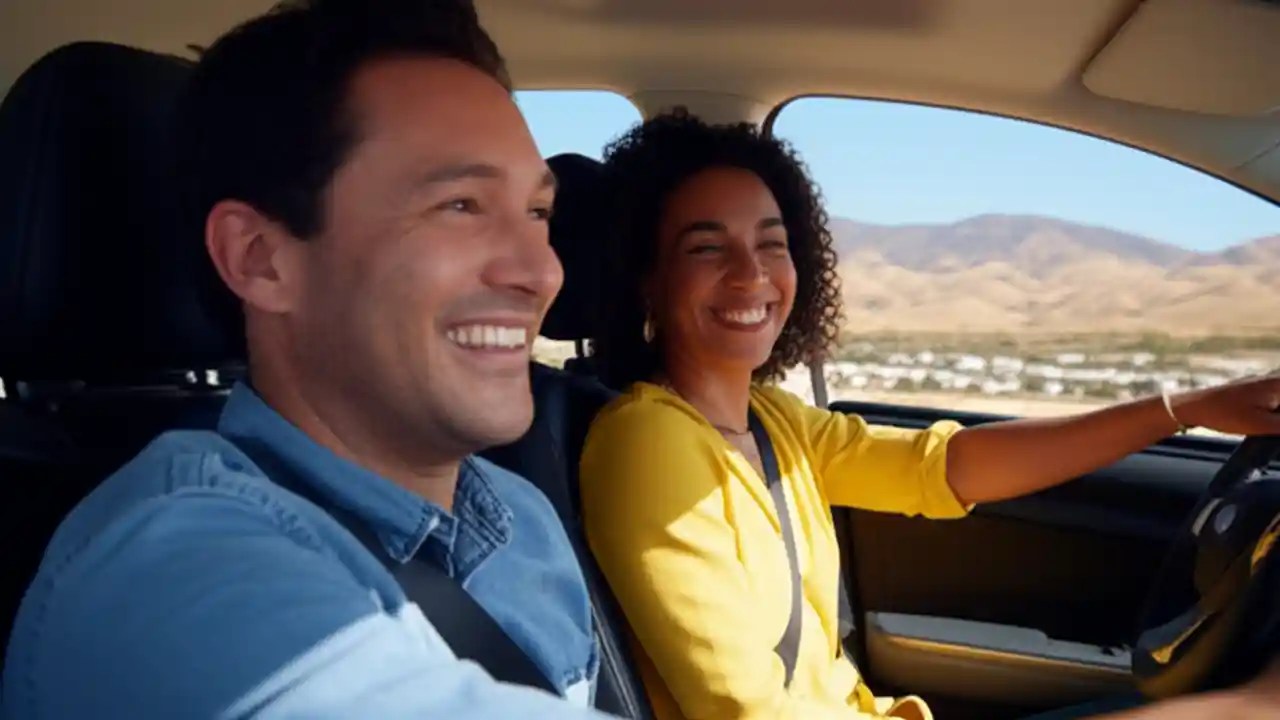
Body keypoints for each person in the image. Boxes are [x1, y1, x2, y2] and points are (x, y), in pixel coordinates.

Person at [2, 1, 618, 718]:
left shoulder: (522, 518)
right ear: (261, 259)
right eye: (460, 205)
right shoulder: (164, 571)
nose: (542, 272)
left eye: (537, 214)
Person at [578, 110, 1280, 720]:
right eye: (706, 247)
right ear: (646, 278)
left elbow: (945, 466)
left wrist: (1182, 409)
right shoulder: (647, 441)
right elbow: (746, 711)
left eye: (771, 243)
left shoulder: (772, 421)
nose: (752, 273)